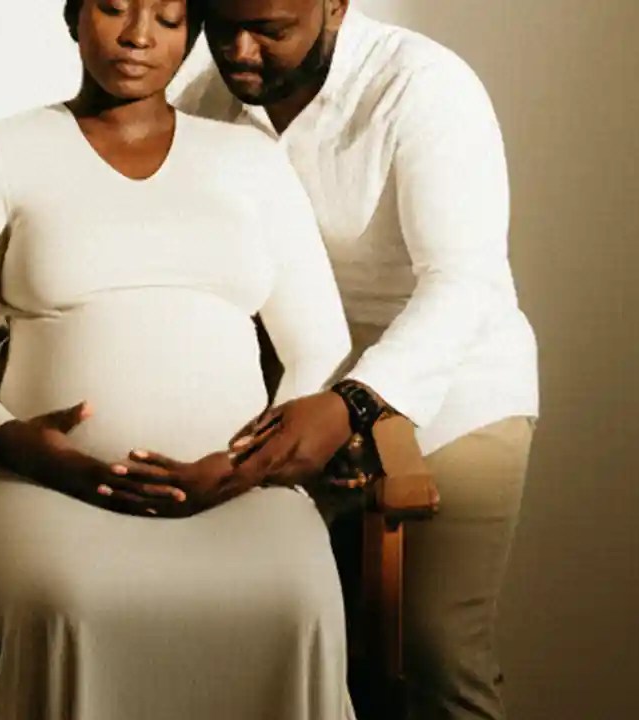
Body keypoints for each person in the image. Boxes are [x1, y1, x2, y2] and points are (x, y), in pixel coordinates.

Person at [0, 0, 360, 717]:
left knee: (297, 600)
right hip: (31, 492)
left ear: (192, 33)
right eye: (113, 8)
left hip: (232, 492)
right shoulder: (5, 151)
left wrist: (244, 468)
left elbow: (319, 342)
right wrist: (22, 446)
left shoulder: (249, 161)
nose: (138, 36)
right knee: (72, 605)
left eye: (168, 19)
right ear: (74, 15)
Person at [160, 1, 541, 718]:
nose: (240, 51)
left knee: (432, 650)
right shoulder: (207, 101)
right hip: (294, 398)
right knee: (307, 651)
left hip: (455, 392)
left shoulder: (423, 88)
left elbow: (464, 283)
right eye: (221, 25)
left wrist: (354, 404)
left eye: (270, 31)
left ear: (333, 4)